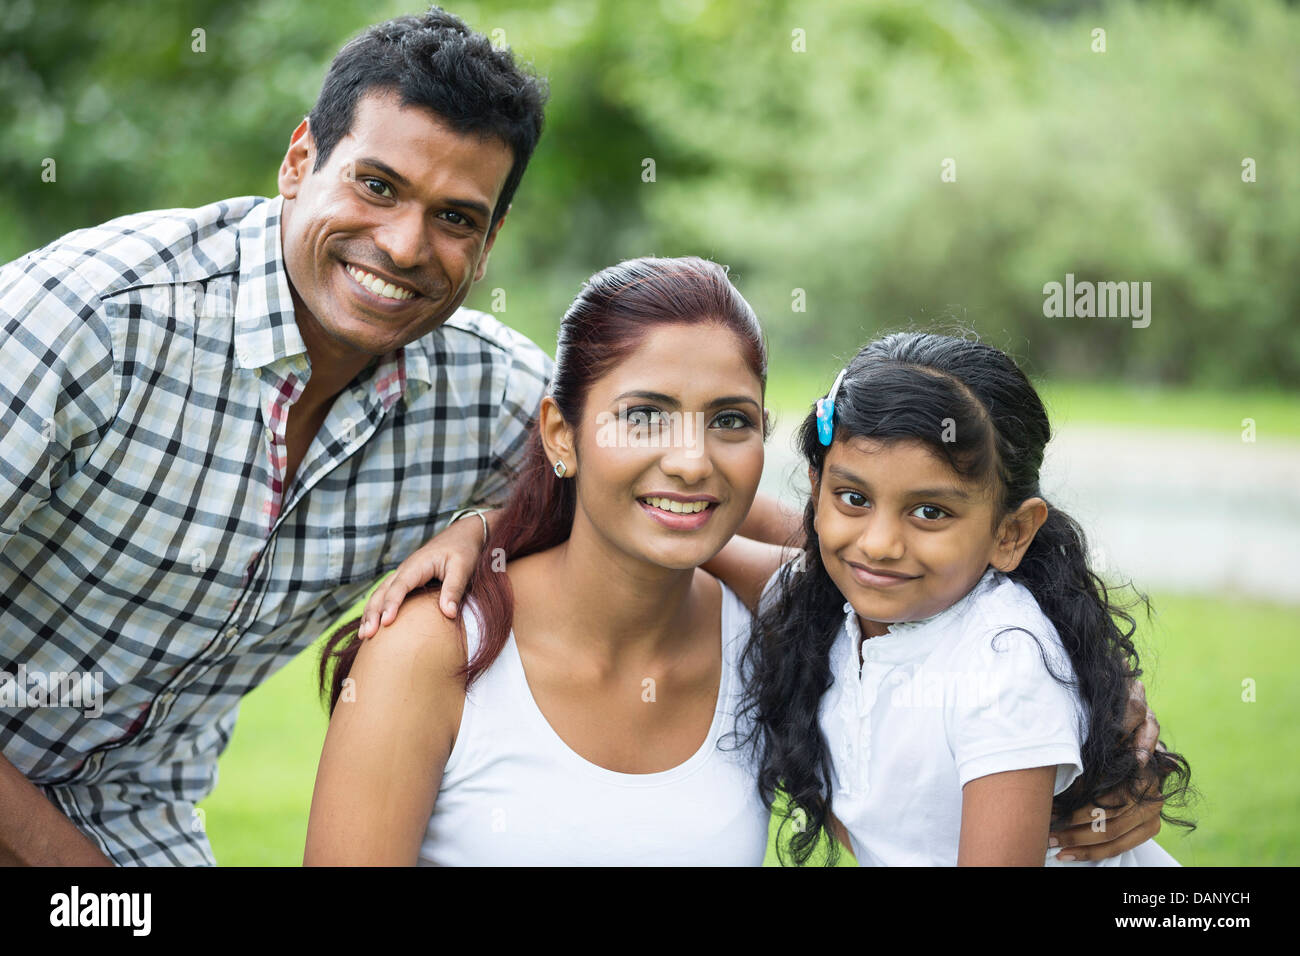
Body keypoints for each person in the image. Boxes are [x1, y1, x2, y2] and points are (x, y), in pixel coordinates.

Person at [309, 268, 1169, 866]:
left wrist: (1098, 708)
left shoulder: (773, 628)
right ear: (561, 434)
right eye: (644, 415)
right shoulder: (435, 649)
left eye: (730, 420)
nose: (690, 460)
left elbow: (744, 522)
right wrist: (491, 528)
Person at [0, 8, 551, 865]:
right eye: (377, 185)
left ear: (489, 244)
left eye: (454, 218)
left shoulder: (487, 395)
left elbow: (687, 490)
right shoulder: (96, 319)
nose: (405, 246)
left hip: (135, 812)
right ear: (301, 161)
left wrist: (487, 523)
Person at [731, 331, 1194, 865]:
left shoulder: (1002, 664)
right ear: (816, 493)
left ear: (1011, 533)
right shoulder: (827, 604)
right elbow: (711, 515)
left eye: (930, 511)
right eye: (854, 498)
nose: (878, 544)